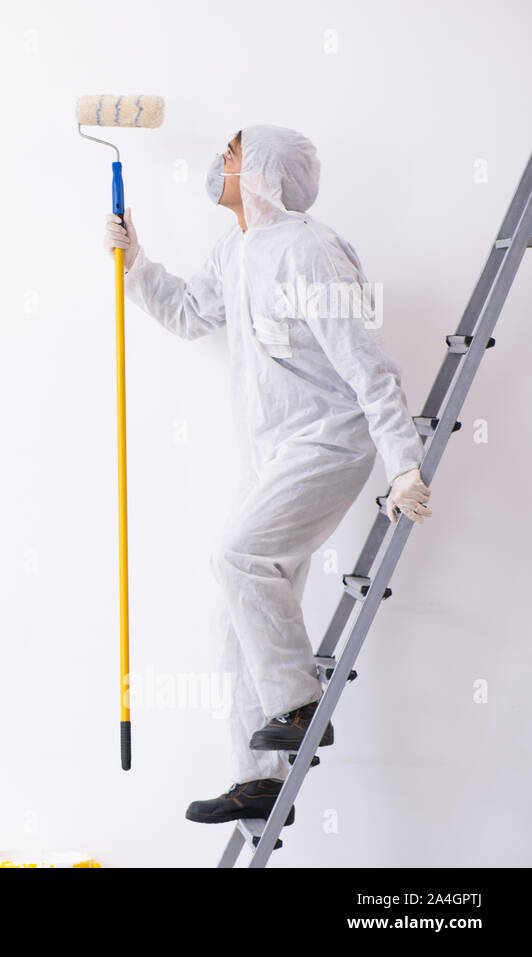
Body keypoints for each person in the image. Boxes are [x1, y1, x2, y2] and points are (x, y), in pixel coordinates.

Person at [103, 126, 433, 827]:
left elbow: (365, 360)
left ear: (260, 171)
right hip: (271, 456)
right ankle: (257, 777)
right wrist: (134, 262)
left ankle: (300, 701)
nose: (217, 163)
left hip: (330, 443)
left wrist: (404, 461)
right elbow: (193, 314)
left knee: (236, 556)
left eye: (229, 154)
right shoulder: (235, 247)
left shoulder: (311, 251)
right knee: (232, 610)